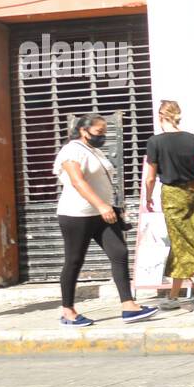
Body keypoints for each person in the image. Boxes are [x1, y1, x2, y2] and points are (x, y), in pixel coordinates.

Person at [54, 114, 158, 326]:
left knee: (119, 252)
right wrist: (101, 205)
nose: (102, 136)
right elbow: (77, 181)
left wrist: (109, 206)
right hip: (77, 214)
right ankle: (68, 311)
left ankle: (128, 306)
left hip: (103, 214)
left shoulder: (95, 150)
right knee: (74, 261)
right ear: (84, 131)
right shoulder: (72, 150)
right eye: (98, 132)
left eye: (104, 132)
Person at [144, 100, 194, 316]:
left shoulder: (155, 142)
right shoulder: (192, 140)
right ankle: (173, 296)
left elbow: (150, 177)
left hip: (173, 195)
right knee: (189, 241)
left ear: (161, 116)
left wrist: (148, 198)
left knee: (182, 244)